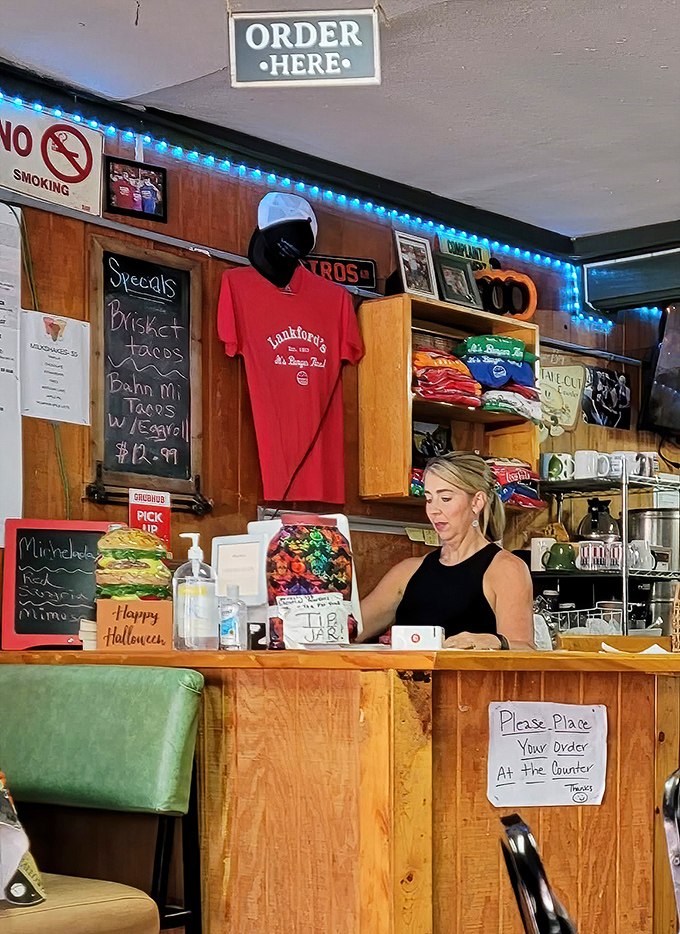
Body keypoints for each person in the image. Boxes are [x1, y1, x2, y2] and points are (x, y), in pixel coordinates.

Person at [357, 452, 535, 649]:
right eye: (429, 499)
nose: (433, 510)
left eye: (446, 498)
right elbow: (350, 629)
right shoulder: (406, 572)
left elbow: (525, 649)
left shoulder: (506, 569)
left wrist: (495, 642)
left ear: (477, 502)